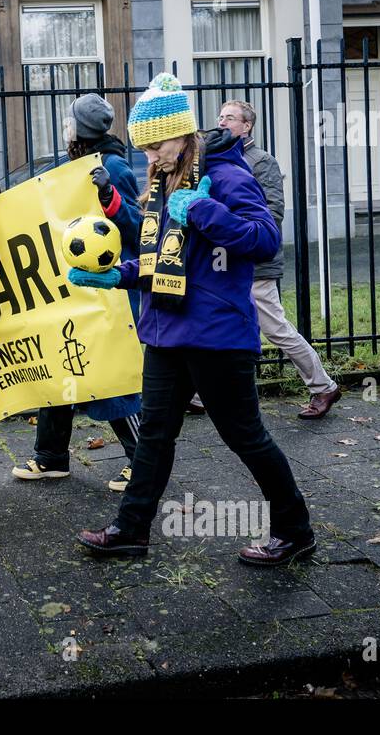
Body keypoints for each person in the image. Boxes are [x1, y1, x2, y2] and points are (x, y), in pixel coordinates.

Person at [71, 74, 316, 566]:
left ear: (183, 136)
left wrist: (205, 209)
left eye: (157, 145)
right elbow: (162, 257)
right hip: (166, 330)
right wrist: (117, 275)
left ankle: (295, 531)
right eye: (144, 148)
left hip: (215, 335)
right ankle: (130, 530)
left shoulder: (227, 177)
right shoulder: (164, 182)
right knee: (155, 436)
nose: (150, 157)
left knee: (245, 436)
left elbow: (264, 239)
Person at [0, 93, 142, 491]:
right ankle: (51, 457)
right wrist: (0, 204)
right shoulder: (76, 167)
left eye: (69, 122)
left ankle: (143, 461)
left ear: (79, 129)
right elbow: (45, 211)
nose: (65, 127)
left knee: (111, 376)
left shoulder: (114, 167)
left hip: (108, 293)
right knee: (60, 367)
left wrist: (111, 198)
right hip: (72, 290)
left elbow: (139, 230)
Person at [219, 100, 341, 418]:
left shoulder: (262, 163)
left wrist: (236, 234)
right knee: (217, 322)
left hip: (255, 261)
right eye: (220, 117)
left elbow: (273, 214)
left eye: (229, 118)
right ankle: (204, 393)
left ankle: (323, 386)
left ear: (247, 126)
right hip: (225, 262)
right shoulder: (216, 160)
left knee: (275, 328)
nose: (221, 122)